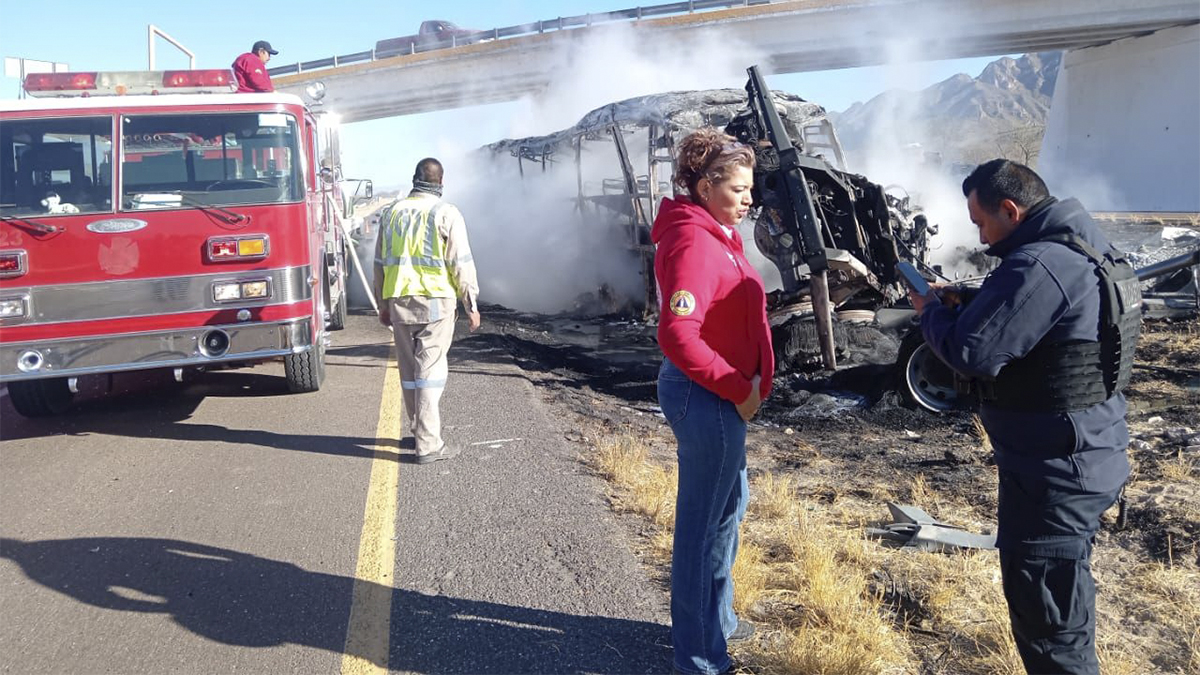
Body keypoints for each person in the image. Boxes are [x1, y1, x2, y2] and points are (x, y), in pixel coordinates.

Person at [910, 159, 1139, 674]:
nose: (980, 236)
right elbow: (1054, 324)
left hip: (1054, 473)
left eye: (981, 222)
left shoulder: (1039, 264)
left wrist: (930, 312)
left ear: (1011, 211)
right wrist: (976, 301)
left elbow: (972, 353)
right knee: (1063, 608)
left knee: (1050, 628)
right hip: (1087, 453)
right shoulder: (1089, 248)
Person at [652, 128, 774, 675]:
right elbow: (679, 334)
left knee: (726, 513)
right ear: (705, 187)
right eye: (738, 189)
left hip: (718, 396)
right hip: (708, 396)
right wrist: (739, 388)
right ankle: (700, 657)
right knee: (702, 532)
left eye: (750, 189)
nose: (749, 199)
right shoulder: (695, 241)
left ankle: (715, 622)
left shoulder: (717, 232)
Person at [373, 158, 481, 465]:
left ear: (414, 179)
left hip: (399, 301)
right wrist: (471, 305)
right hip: (435, 302)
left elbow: (379, 263)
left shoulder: (391, 212)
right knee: (430, 372)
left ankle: (418, 429)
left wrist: (382, 304)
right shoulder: (446, 213)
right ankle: (429, 444)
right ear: (440, 183)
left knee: (409, 373)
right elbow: (460, 262)